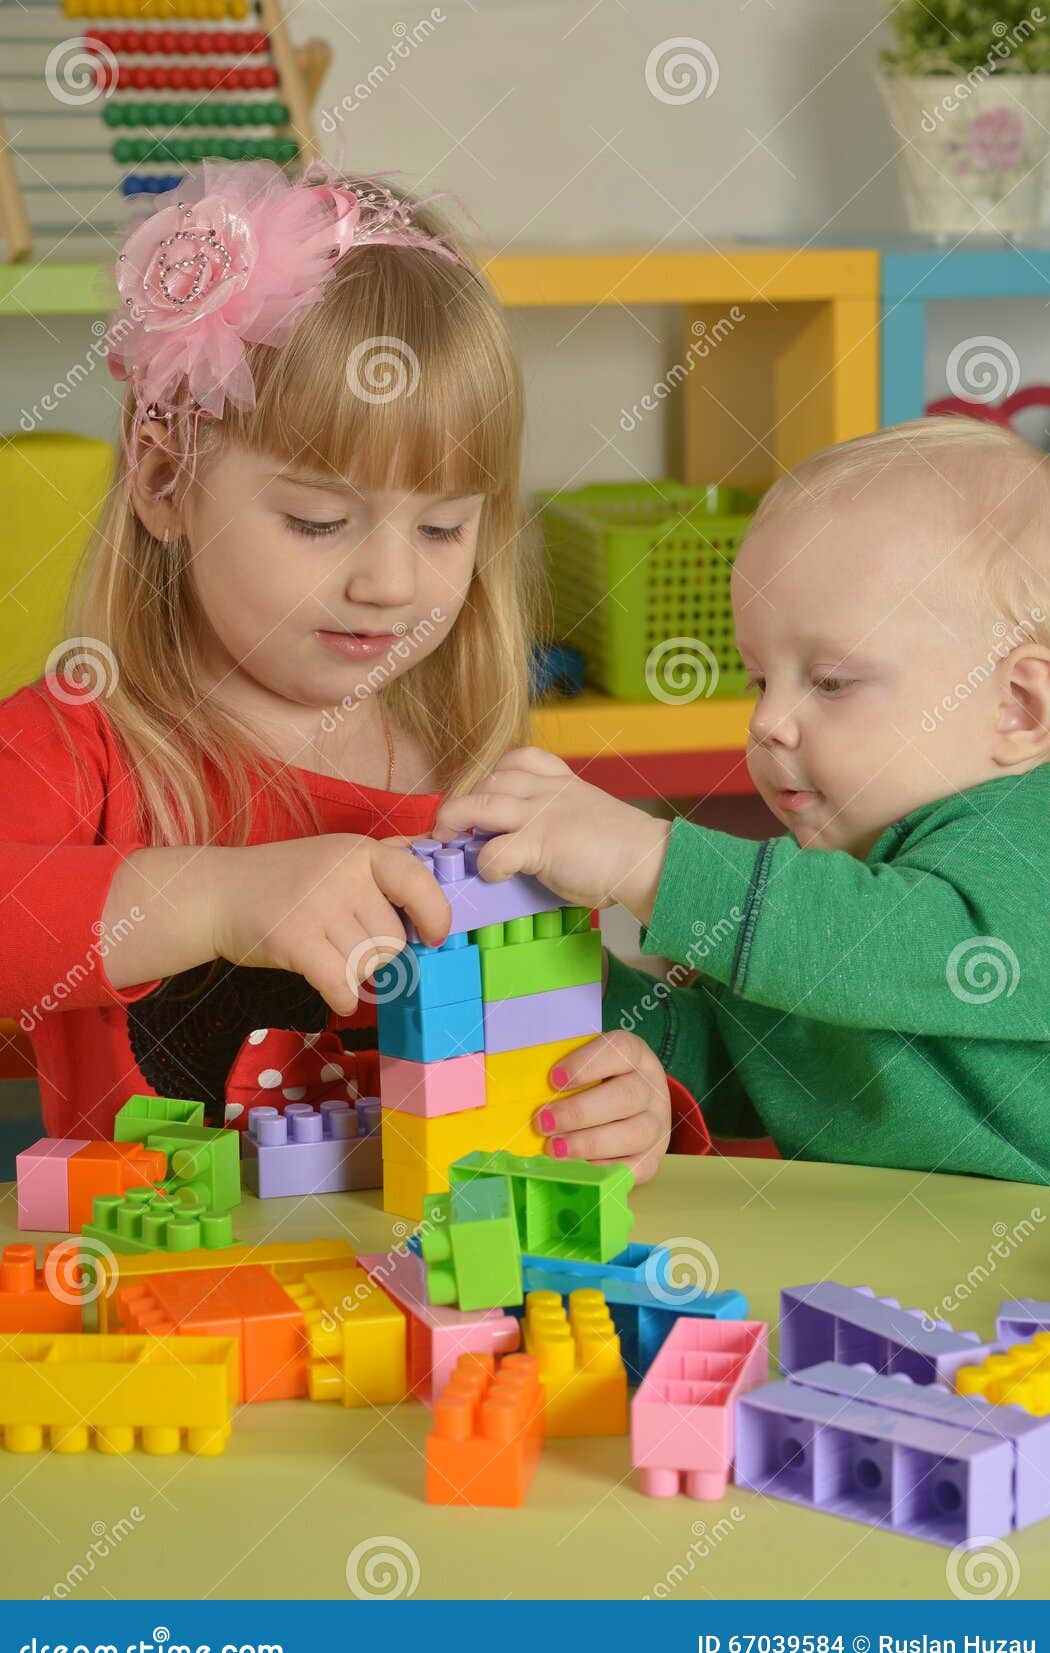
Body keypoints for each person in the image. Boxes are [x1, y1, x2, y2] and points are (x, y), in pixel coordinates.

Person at [1, 159, 687, 1179]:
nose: (391, 581)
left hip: (440, 1310)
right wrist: (218, 898)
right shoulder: (72, 742)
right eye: (319, 520)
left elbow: (566, 1040)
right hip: (164, 1307)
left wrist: (633, 1106)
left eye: (447, 526)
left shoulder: (485, 784)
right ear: (161, 478)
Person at [439, 416, 1050, 1185]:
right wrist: (568, 981)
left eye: (830, 682)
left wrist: (643, 856)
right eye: (758, 679)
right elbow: (735, 1063)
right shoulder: (814, 918)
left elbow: (898, 941)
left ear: (1018, 707)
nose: (767, 723)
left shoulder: (1037, 841)